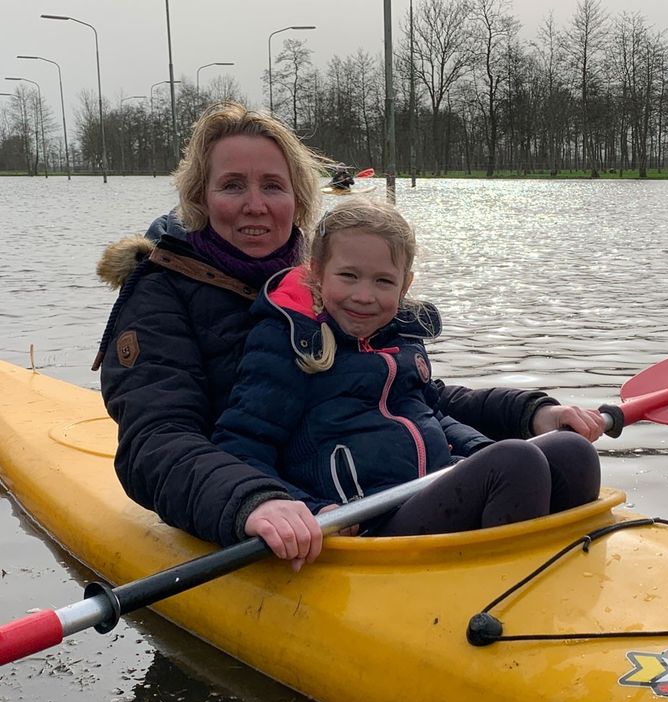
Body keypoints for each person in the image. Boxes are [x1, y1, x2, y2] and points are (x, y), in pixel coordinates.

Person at [93, 101, 604, 571]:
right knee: (513, 463)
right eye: (232, 185)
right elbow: (155, 442)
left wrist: (529, 413)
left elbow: (414, 398)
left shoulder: (339, 279)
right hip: (277, 503)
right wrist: (257, 499)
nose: (255, 205)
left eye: (272, 186)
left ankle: (556, 584)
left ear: (297, 197)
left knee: (567, 451)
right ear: (200, 197)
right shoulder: (160, 294)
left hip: (388, 484)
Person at [211, 198, 601, 538]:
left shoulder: (399, 341)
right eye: (348, 276)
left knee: (572, 452)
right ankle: (503, 594)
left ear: (405, 284)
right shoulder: (286, 344)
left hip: (427, 494)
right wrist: (310, 508)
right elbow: (241, 446)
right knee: (517, 462)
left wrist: (492, 442)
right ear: (316, 272)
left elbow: (431, 413)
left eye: (383, 281)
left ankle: (554, 566)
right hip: (367, 524)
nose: (364, 296)